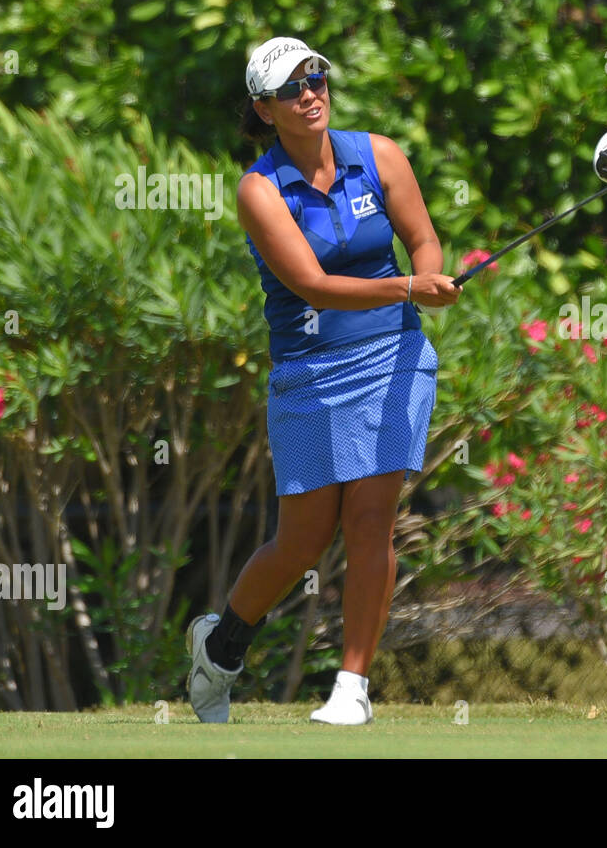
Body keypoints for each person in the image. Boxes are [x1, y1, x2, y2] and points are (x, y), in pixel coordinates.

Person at [186, 36, 462, 724]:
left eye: (316, 78)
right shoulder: (259, 189)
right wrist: (407, 284)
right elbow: (311, 285)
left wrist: (427, 280)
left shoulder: (379, 155)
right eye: (291, 88)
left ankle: (352, 688)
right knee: (301, 543)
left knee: (372, 523)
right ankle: (220, 650)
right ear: (265, 108)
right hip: (311, 372)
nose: (310, 93)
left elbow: (422, 238)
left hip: (391, 358)